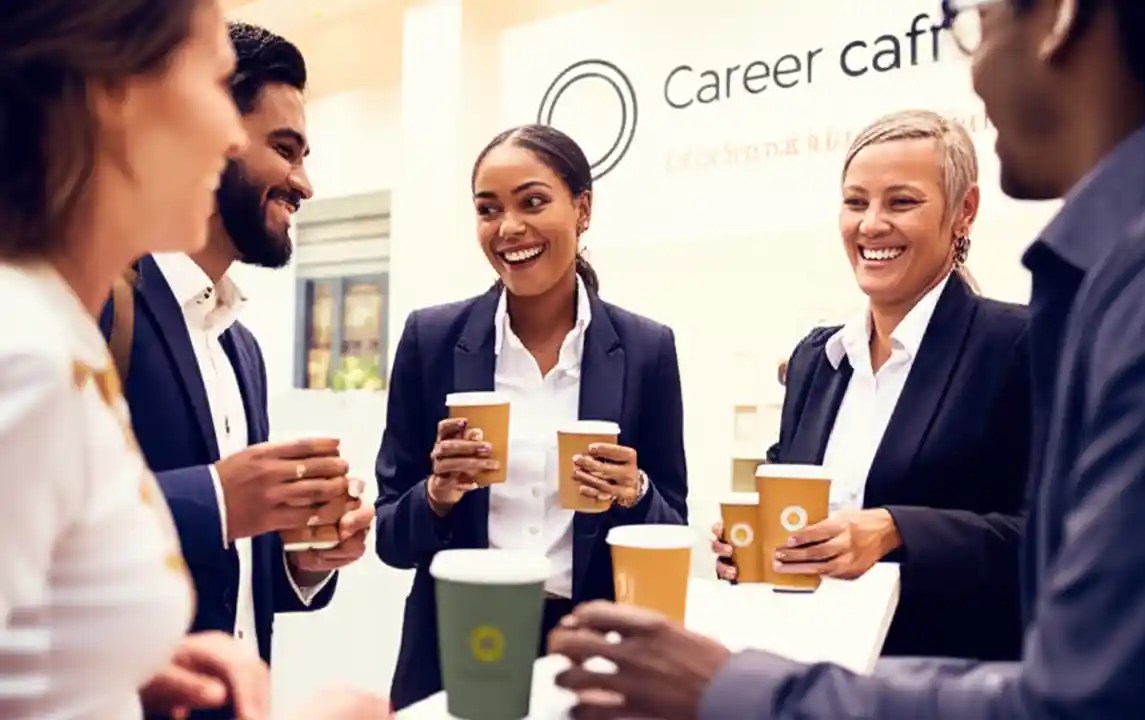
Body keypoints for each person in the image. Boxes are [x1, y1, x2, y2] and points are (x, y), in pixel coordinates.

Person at [547, 1, 1145, 717]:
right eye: (855, 201)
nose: (978, 76)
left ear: (1058, 18)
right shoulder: (818, 359)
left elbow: (1095, 683)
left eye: (976, 21)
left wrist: (735, 683)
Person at [0, 1, 386, 718]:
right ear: (118, 94)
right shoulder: (29, 347)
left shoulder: (71, 334)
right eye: (212, 83)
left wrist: (114, 669)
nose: (223, 134)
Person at [97, 22, 375, 700]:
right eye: (284, 149)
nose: (304, 183)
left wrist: (302, 564)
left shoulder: (241, 348)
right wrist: (219, 498)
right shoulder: (102, 303)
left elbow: (236, 579)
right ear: (214, 134)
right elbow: (44, 528)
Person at [374, 124, 689, 710]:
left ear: (583, 208)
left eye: (533, 201)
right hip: (455, 639)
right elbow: (390, 536)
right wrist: (438, 493)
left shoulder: (646, 349)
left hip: (592, 648)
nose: (508, 228)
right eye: (488, 209)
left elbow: (672, 525)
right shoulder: (432, 339)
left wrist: (635, 490)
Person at [711, 110, 1029, 661]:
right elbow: (784, 490)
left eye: (901, 202)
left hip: (945, 687)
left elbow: (1054, 539)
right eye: (856, 202)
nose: (871, 224)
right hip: (809, 666)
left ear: (964, 212)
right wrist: (746, 542)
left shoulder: (1018, 345)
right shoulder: (816, 359)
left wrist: (895, 530)